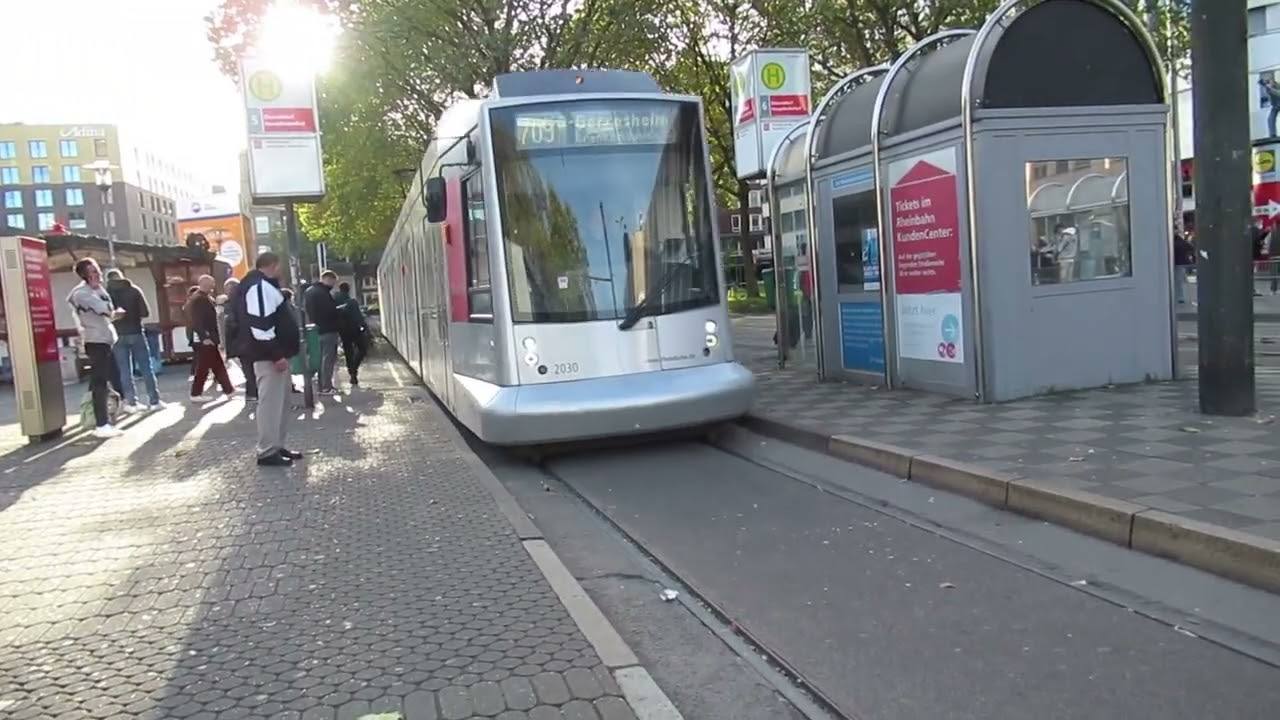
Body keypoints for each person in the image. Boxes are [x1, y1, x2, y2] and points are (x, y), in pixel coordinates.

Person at [235, 252, 302, 467]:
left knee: (280, 403)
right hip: (269, 356)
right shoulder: (259, 287)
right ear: (273, 265)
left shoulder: (258, 285)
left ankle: (276, 445)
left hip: (272, 354)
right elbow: (260, 324)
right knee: (271, 403)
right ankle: (267, 450)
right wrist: (276, 354)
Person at [67, 258, 124, 438]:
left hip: (106, 340)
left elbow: (110, 308)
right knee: (99, 382)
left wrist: (99, 290)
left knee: (110, 379)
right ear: (85, 275)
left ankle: (103, 418)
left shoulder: (98, 289)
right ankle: (100, 423)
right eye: (93, 272)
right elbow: (105, 309)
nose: (98, 275)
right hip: (95, 341)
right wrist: (110, 309)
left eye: (98, 270)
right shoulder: (81, 293)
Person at [105, 269, 164, 412]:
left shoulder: (106, 294)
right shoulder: (134, 290)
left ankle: (131, 403)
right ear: (121, 277)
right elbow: (145, 312)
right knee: (146, 368)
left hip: (117, 334)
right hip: (136, 332)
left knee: (124, 370)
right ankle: (154, 401)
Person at [185, 275, 235, 400]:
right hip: (206, 338)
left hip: (209, 337)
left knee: (217, 365)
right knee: (203, 367)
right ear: (205, 284)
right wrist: (205, 336)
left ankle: (228, 389)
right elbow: (197, 321)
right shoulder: (199, 300)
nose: (213, 287)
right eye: (212, 284)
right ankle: (196, 393)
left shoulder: (202, 298)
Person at [304, 270, 343, 395]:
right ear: (328, 279)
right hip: (328, 329)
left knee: (319, 359)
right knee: (328, 359)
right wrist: (338, 310)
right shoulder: (323, 293)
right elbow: (328, 311)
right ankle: (326, 386)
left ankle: (321, 386)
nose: (333, 284)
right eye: (333, 281)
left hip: (315, 331)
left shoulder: (309, 291)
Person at [222, 277, 258, 401]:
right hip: (254, 337)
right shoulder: (250, 298)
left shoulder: (231, 303)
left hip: (241, 340)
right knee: (254, 366)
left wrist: (229, 345)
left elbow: (230, 324)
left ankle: (252, 392)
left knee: (247, 368)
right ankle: (253, 391)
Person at [332, 281, 368, 386]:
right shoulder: (351, 302)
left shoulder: (334, 301)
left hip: (343, 330)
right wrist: (363, 326)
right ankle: (354, 368)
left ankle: (351, 372)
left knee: (348, 352)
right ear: (348, 290)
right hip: (354, 330)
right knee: (362, 349)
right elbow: (358, 317)